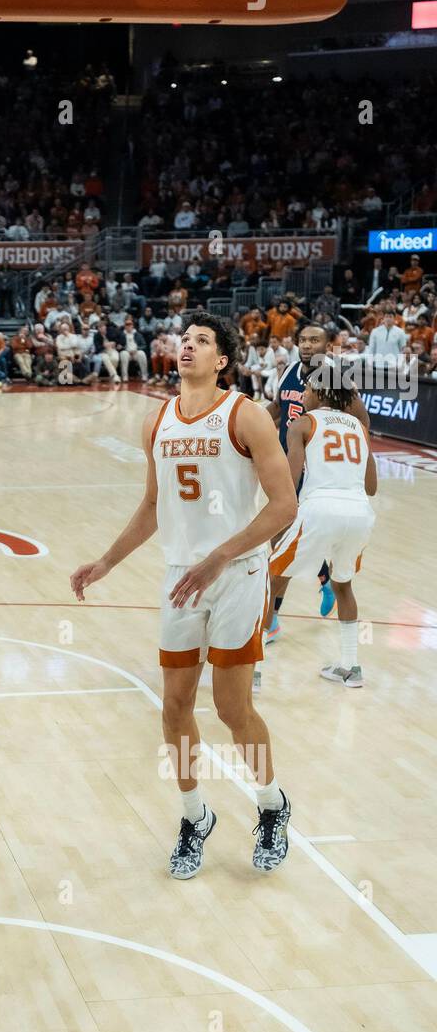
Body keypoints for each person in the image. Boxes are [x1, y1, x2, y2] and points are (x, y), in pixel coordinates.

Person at [71, 313, 298, 879]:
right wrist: (105, 562)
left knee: (230, 708)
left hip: (239, 575)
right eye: (184, 340)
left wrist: (221, 554)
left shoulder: (245, 415)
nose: (187, 348)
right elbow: (152, 507)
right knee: (173, 709)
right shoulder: (157, 421)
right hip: (180, 576)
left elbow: (283, 506)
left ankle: (272, 804)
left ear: (222, 359)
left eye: (201, 342)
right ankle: (195, 816)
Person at [268, 370, 377, 689]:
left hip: (319, 510)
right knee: (344, 585)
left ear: (320, 393)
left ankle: (254, 668)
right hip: (359, 514)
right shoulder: (359, 427)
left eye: (308, 390)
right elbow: (371, 487)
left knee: (270, 581)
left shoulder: (302, 424)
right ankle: (350, 666)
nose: (303, 394)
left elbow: (288, 484)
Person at [264, 322, 370, 636]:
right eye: (303, 339)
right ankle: (325, 581)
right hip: (287, 461)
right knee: (282, 542)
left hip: (318, 472)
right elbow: (278, 408)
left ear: (327, 345)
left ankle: (271, 622)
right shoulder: (289, 371)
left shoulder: (337, 379)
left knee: (280, 544)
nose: (308, 345)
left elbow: (362, 421)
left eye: (315, 340)